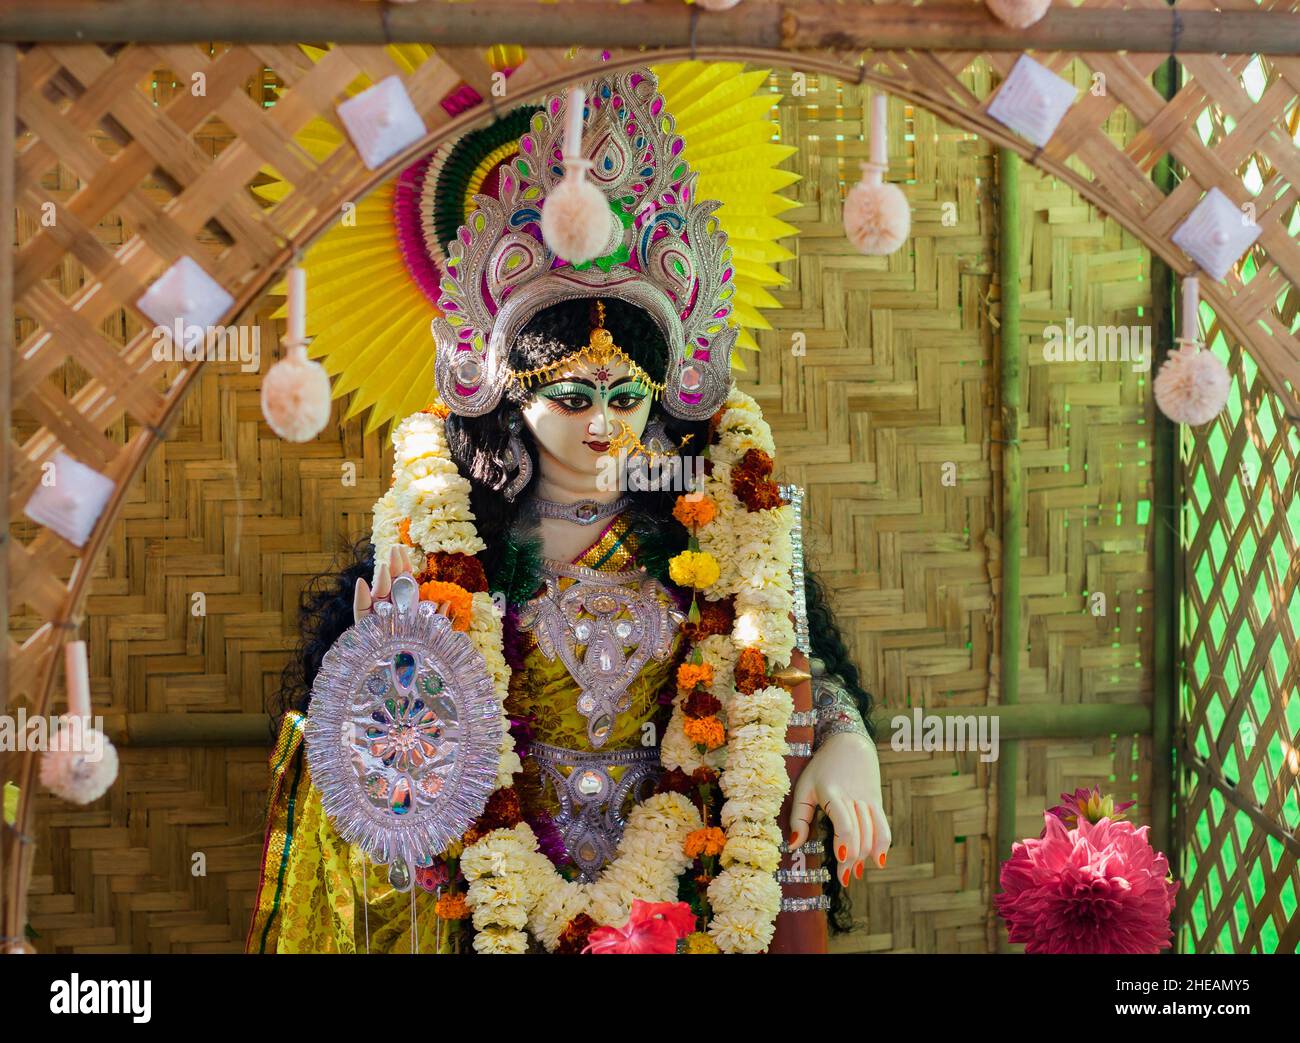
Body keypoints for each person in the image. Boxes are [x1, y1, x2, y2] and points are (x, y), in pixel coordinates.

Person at [247, 67, 887, 955]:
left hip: (685, 896)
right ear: (508, 394)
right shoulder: (445, 531)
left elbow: (777, 662)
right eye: (572, 394)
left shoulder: (704, 518)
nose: (603, 423)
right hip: (492, 902)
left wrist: (849, 739)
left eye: (627, 395)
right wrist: (378, 679)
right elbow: (376, 753)